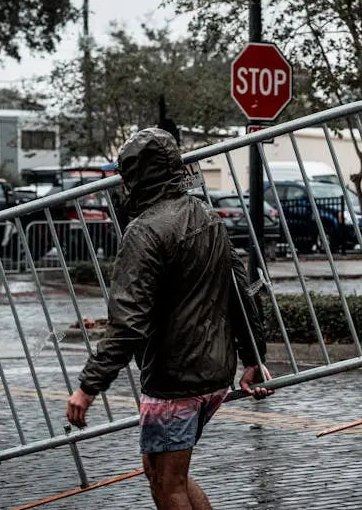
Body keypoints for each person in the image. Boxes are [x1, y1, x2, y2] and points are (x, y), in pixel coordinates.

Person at [66, 128, 272, 510]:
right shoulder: (206, 215)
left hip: (176, 380)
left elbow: (128, 323)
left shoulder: (144, 232)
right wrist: (251, 357)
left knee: (168, 481)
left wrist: (87, 387)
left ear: (136, 177)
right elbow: (240, 292)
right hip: (211, 372)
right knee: (159, 470)